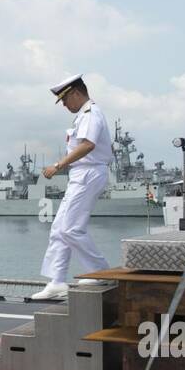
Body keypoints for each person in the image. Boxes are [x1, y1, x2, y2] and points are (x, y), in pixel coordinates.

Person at [33, 75, 113, 300]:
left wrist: (58, 165)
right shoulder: (83, 116)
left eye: (65, 100)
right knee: (59, 228)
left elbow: (88, 145)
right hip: (81, 174)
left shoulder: (90, 114)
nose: (65, 105)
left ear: (76, 93)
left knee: (71, 228)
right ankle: (57, 282)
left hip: (87, 173)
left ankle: (101, 271)